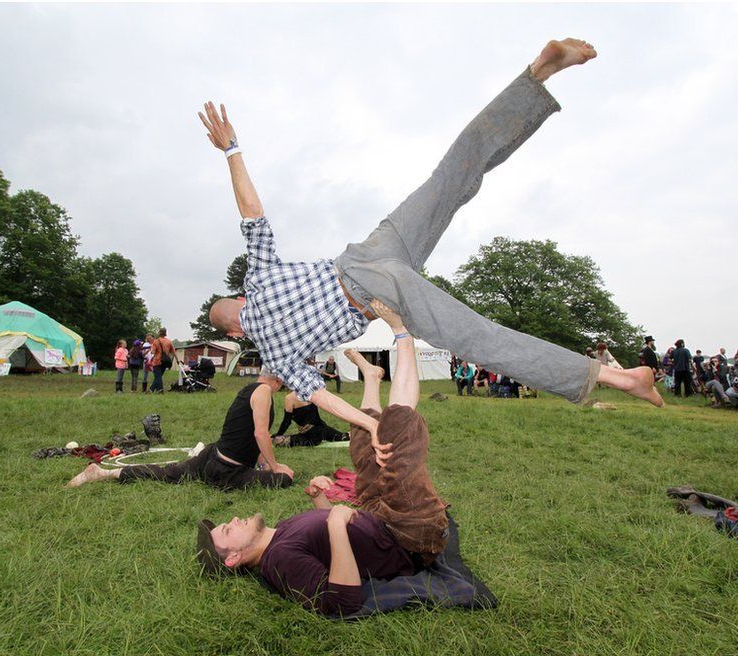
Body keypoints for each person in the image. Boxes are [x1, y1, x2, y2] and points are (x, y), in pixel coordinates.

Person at [199, 38, 663, 463]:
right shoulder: (258, 277)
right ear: (239, 302)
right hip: (367, 251)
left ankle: (617, 378)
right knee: (450, 178)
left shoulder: (275, 356)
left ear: (237, 334)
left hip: (373, 292)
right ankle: (535, 77)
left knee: (476, 336)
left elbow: (322, 398)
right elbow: (252, 211)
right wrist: (231, 149)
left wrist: (368, 423)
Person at [194, 303, 449, 617]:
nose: (233, 520)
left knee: (362, 440)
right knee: (393, 434)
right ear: (232, 558)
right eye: (227, 531)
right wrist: (337, 523)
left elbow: (325, 543)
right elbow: (339, 603)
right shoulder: (280, 560)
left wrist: (321, 501)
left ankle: (371, 376)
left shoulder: (280, 534)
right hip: (407, 535)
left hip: (376, 513)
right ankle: (402, 333)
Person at [66, 373, 295, 489]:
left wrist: (264, 464)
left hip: (212, 455)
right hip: (226, 471)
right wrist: (275, 468)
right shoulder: (264, 391)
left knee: (167, 473)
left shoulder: (250, 388)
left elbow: (247, 433)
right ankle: (102, 474)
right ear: (278, 376)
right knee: (285, 479)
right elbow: (260, 434)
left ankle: (103, 473)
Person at [273, 390, 349, 447]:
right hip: (322, 429)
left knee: (277, 441)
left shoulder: (290, 398)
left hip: (311, 437)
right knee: (344, 436)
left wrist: (279, 434)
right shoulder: (311, 392)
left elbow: (287, 422)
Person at [149, 328, 176, 394]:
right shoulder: (169, 341)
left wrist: (151, 349)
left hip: (157, 361)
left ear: (159, 333)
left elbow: (153, 352)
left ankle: (160, 390)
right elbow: (173, 352)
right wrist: (177, 360)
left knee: (158, 377)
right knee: (158, 376)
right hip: (165, 362)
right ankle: (151, 390)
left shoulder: (156, 341)